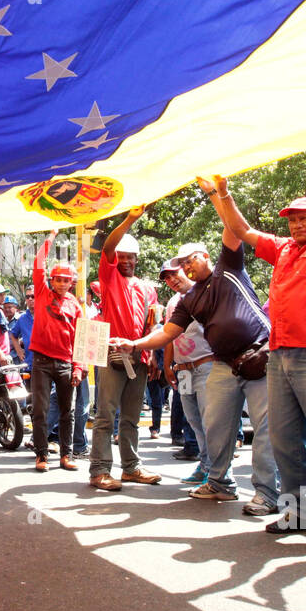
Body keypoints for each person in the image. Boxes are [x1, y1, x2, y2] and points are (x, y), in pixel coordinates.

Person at [201, 146, 306, 551]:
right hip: (279, 356)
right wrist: (221, 193)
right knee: (284, 439)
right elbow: (241, 231)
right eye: (291, 219)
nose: (296, 224)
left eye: (303, 218)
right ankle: (298, 513)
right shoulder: (281, 249)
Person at [113, 224, 279, 510]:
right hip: (224, 364)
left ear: (205, 255)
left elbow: (233, 227)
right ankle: (220, 483)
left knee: (266, 428)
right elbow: (167, 334)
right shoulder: (188, 301)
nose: (187, 267)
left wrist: (219, 192)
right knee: (212, 424)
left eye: (190, 260)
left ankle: (266, 493)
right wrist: (134, 345)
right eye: (182, 264)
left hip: (260, 355)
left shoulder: (228, 268)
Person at [88, 208, 161, 490]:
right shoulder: (109, 279)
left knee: (131, 417)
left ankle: (130, 468)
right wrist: (130, 219)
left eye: (131, 257)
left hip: (139, 358)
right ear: (115, 259)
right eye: (122, 256)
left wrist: (152, 354)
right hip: (112, 355)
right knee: (105, 415)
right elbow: (107, 247)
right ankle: (99, 471)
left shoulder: (147, 288)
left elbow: (152, 324)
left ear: (137, 260)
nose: (126, 261)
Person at [29, 232, 86, 471]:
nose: (62, 283)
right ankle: (42, 455)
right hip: (41, 361)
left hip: (65, 363)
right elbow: (38, 263)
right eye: (58, 279)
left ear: (71, 282)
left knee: (68, 412)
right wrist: (51, 236)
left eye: (66, 280)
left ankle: (66, 455)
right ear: (52, 280)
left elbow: (81, 340)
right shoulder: (42, 293)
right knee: (40, 410)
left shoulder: (76, 305)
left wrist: (78, 368)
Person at [160, 259, 215, 485]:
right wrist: (168, 366)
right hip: (182, 371)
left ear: (186, 269)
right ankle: (205, 466)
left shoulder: (207, 293)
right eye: (167, 278)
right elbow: (169, 335)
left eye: (174, 274)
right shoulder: (173, 303)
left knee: (210, 421)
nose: (172, 280)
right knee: (193, 420)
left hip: (206, 366)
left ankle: (218, 471)